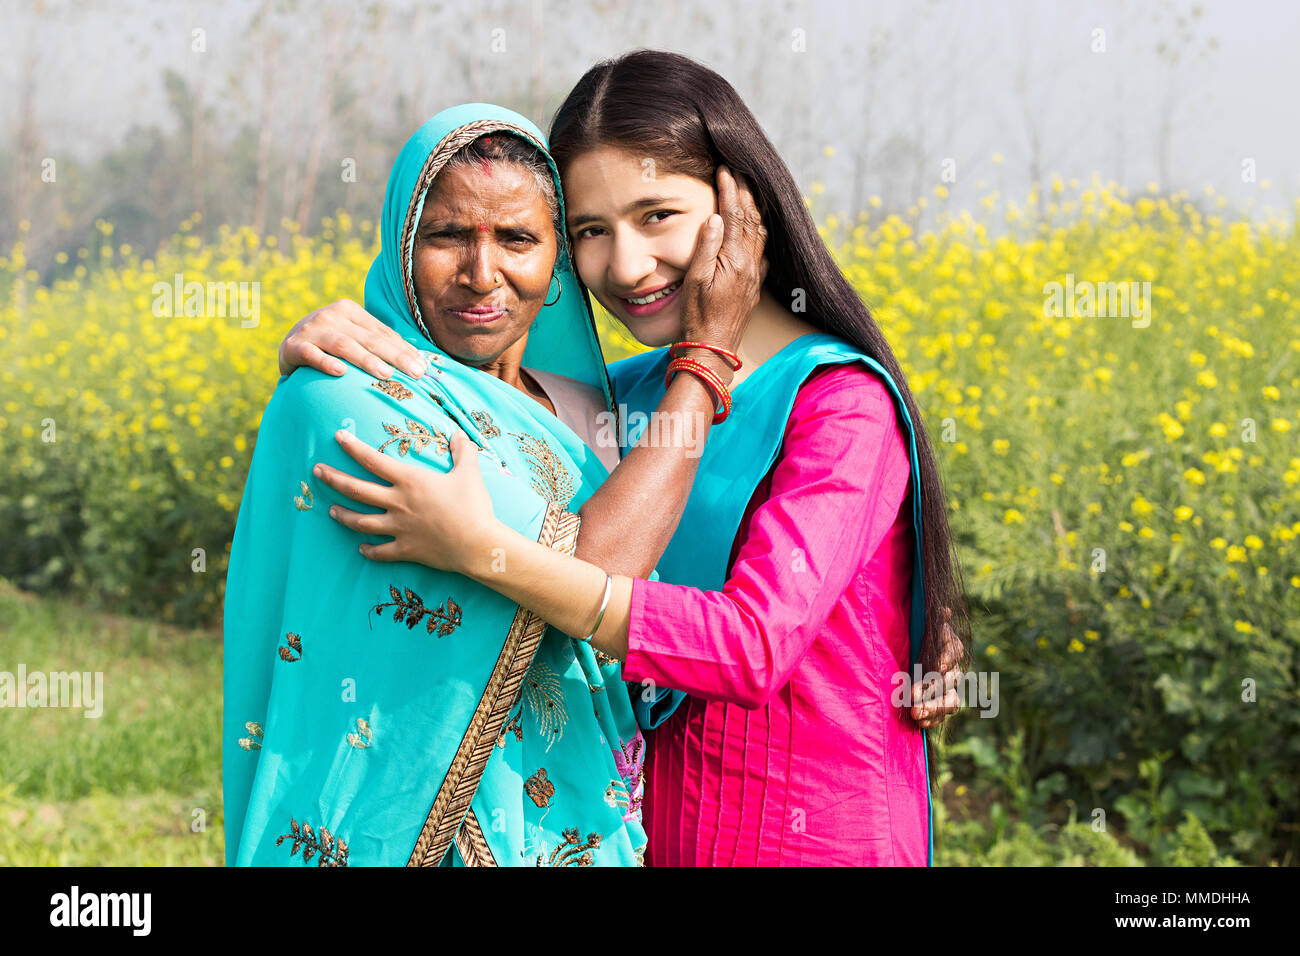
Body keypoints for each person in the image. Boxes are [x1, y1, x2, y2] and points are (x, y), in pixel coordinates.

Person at [279, 52, 970, 866]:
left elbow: (751, 647)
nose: (627, 267)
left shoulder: (841, 407)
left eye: (657, 217)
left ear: (741, 209)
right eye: (590, 233)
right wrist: (322, 346)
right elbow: (462, 404)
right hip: (647, 837)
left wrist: (481, 553)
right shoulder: (623, 397)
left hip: (814, 837)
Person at [223, 101, 763, 867]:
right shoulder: (349, 391)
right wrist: (705, 357)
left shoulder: (590, 409)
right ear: (400, 248)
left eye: (517, 239)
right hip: (418, 828)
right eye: (447, 236)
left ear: (558, 267)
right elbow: (601, 569)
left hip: (594, 816)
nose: (483, 275)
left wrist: (925, 606)